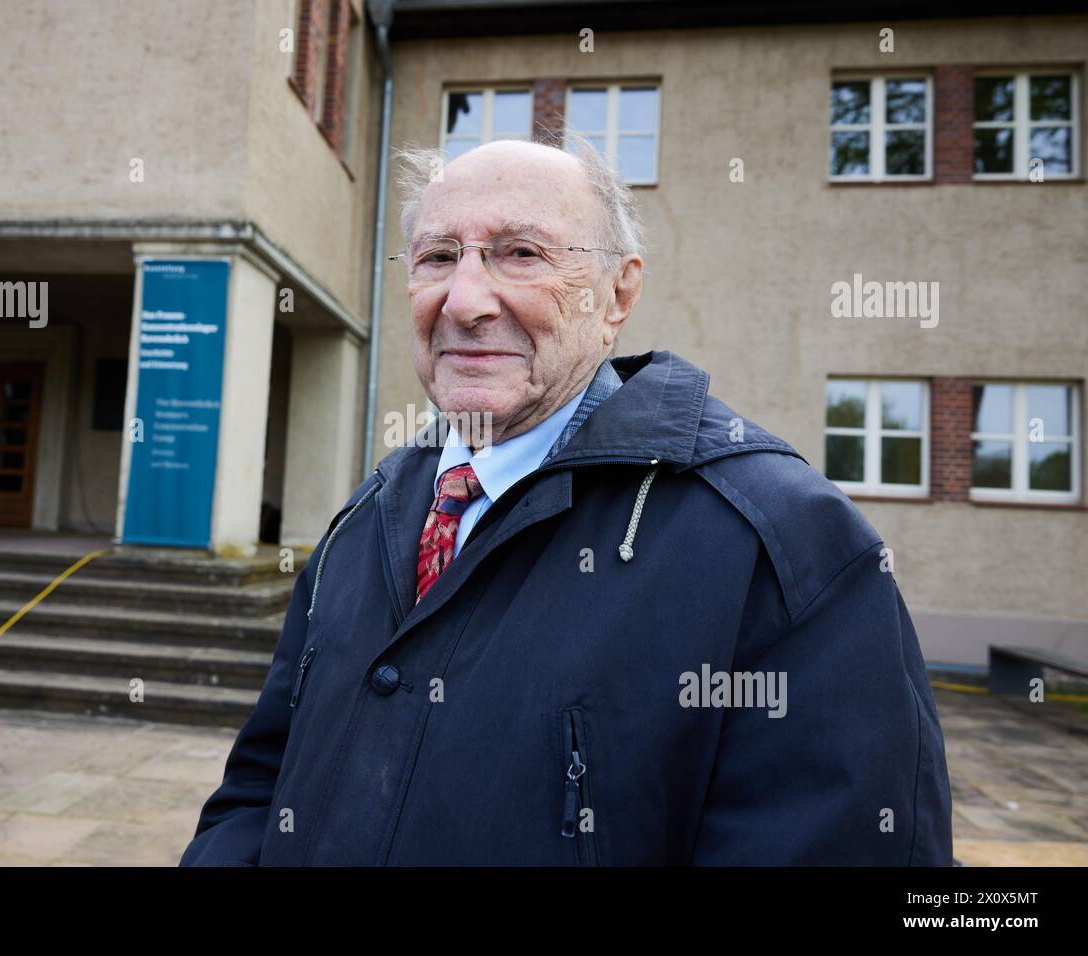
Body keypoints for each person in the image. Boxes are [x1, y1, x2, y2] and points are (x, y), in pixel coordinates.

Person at [180, 132, 953, 866]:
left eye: (521, 254)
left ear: (618, 294)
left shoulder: (780, 544)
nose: (465, 300)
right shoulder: (368, 517)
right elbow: (255, 793)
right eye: (439, 256)